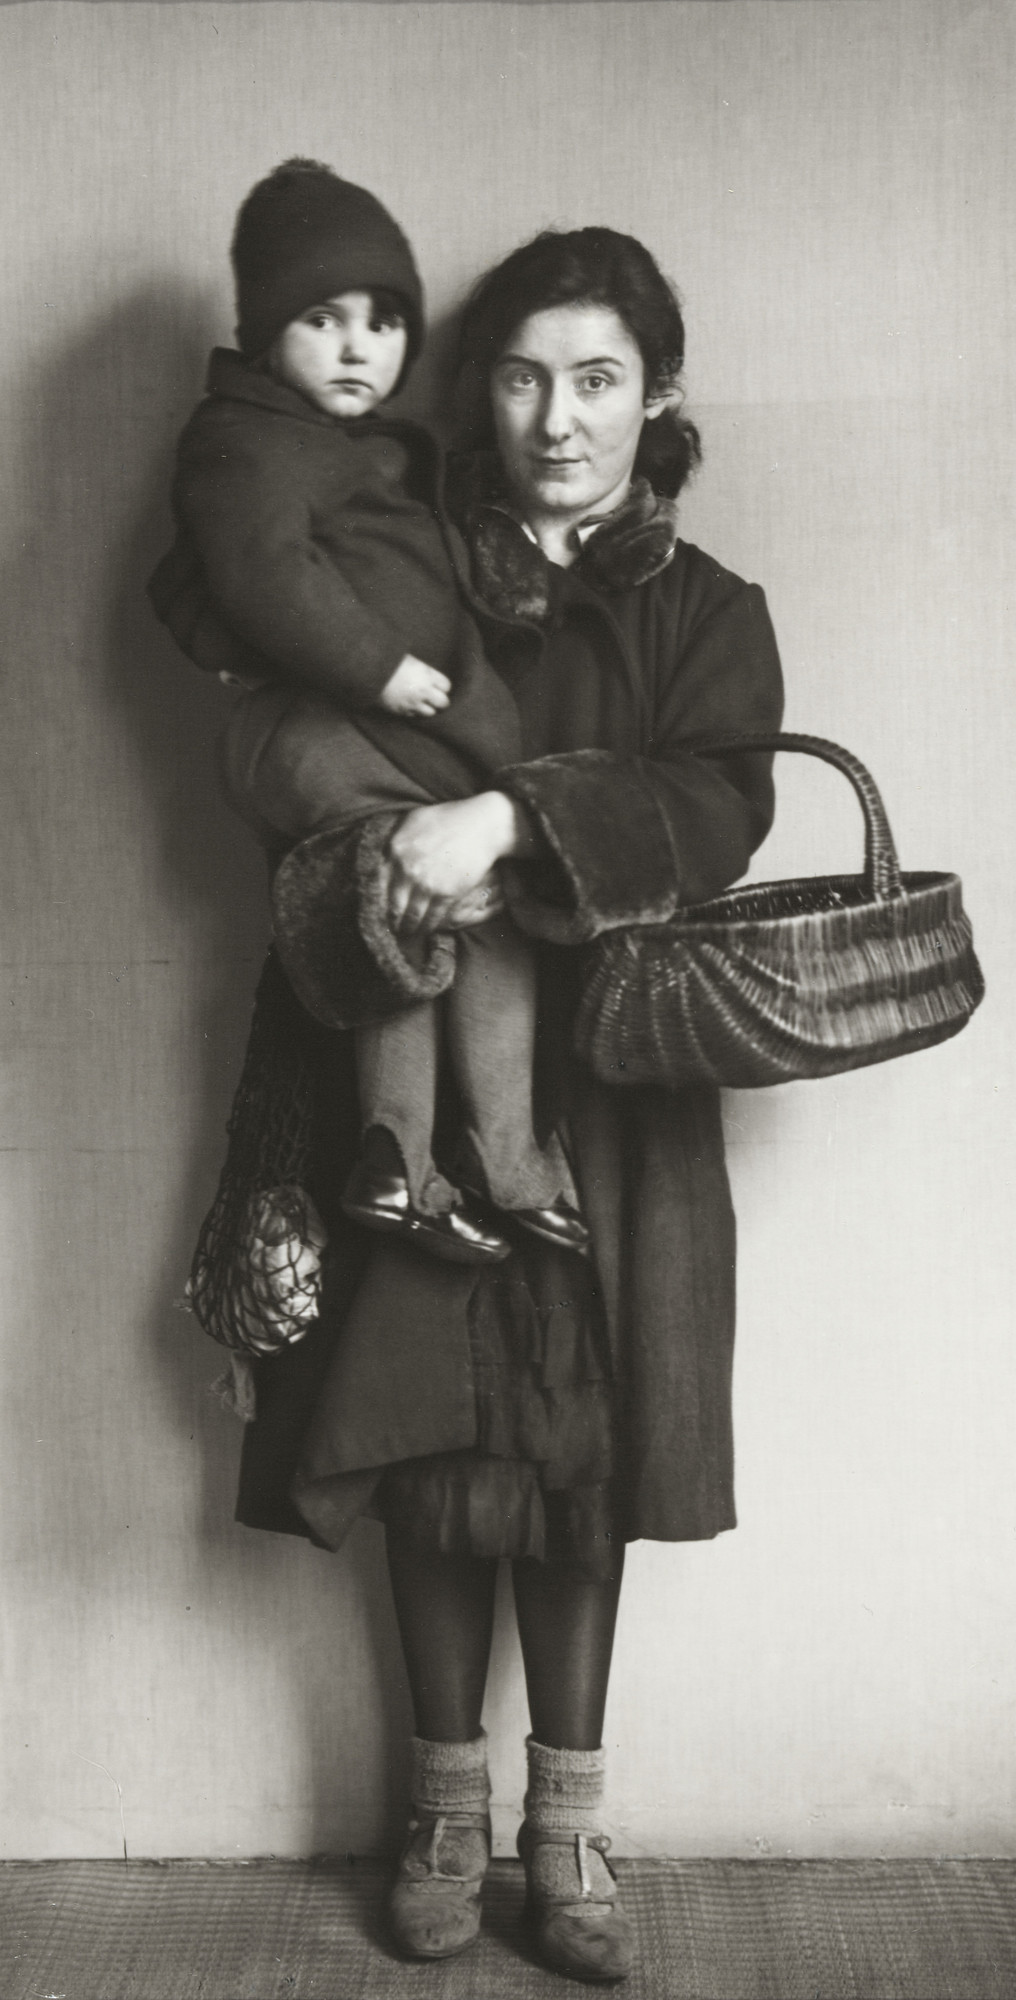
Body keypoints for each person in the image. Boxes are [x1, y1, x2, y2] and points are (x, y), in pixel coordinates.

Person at [229, 224, 784, 1983]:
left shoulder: (708, 612)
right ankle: (443, 1814)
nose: (559, 420)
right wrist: (395, 853)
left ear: (656, 396)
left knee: (583, 1458)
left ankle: (571, 1826)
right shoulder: (400, 554)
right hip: (408, 1079)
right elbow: (275, 693)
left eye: (598, 380)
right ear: (484, 393)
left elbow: (718, 806)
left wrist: (512, 822)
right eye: (528, 379)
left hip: (611, 1094)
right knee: (429, 1445)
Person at [149, 159, 587, 1270]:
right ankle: (500, 1158)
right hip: (328, 734)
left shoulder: (345, 448)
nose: (358, 348)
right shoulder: (245, 437)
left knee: (415, 908)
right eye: (322, 319)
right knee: (469, 905)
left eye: (383, 323)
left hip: (363, 739)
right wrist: (376, 667)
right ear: (263, 334)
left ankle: (405, 1159)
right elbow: (264, 577)